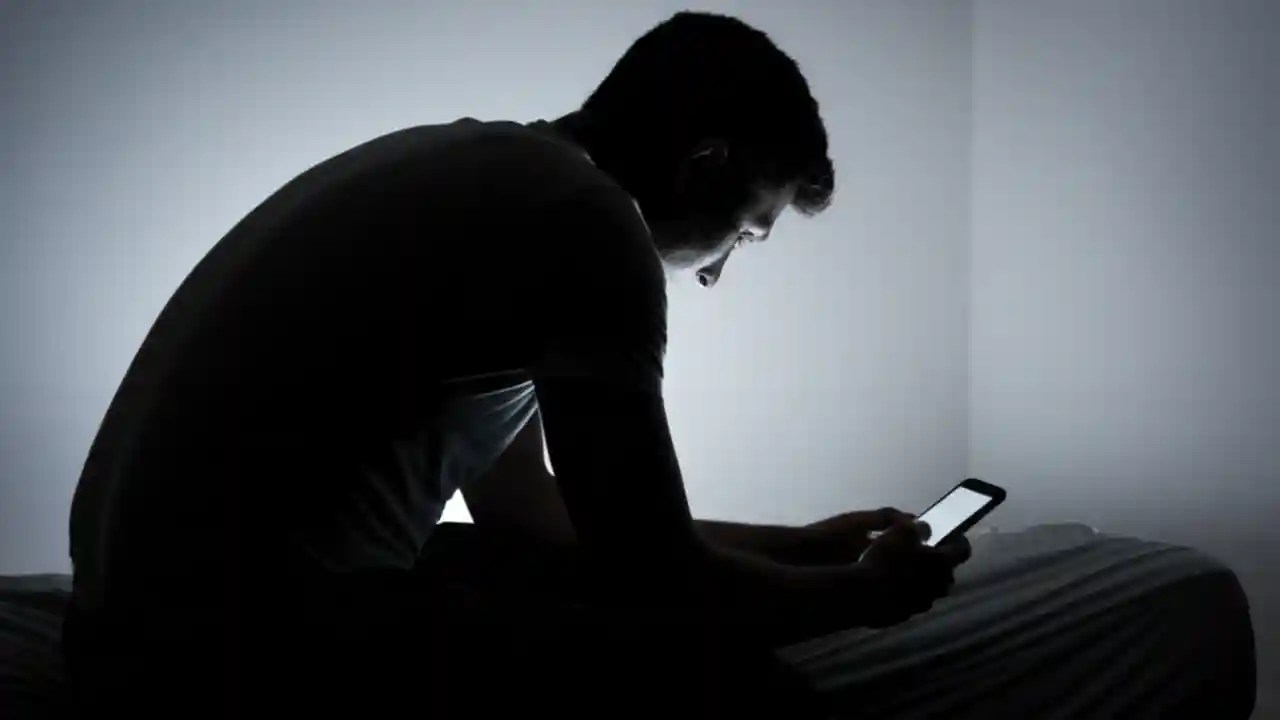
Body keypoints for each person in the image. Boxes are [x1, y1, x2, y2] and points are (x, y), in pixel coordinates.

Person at [63, 11, 970, 719]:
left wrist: (799, 546)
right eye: (743, 229)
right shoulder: (588, 226)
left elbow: (530, 516)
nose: (720, 273)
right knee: (739, 687)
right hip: (228, 659)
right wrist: (861, 595)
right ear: (702, 161)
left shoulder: (497, 178)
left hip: (118, 632)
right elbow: (649, 576)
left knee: (476, 563)